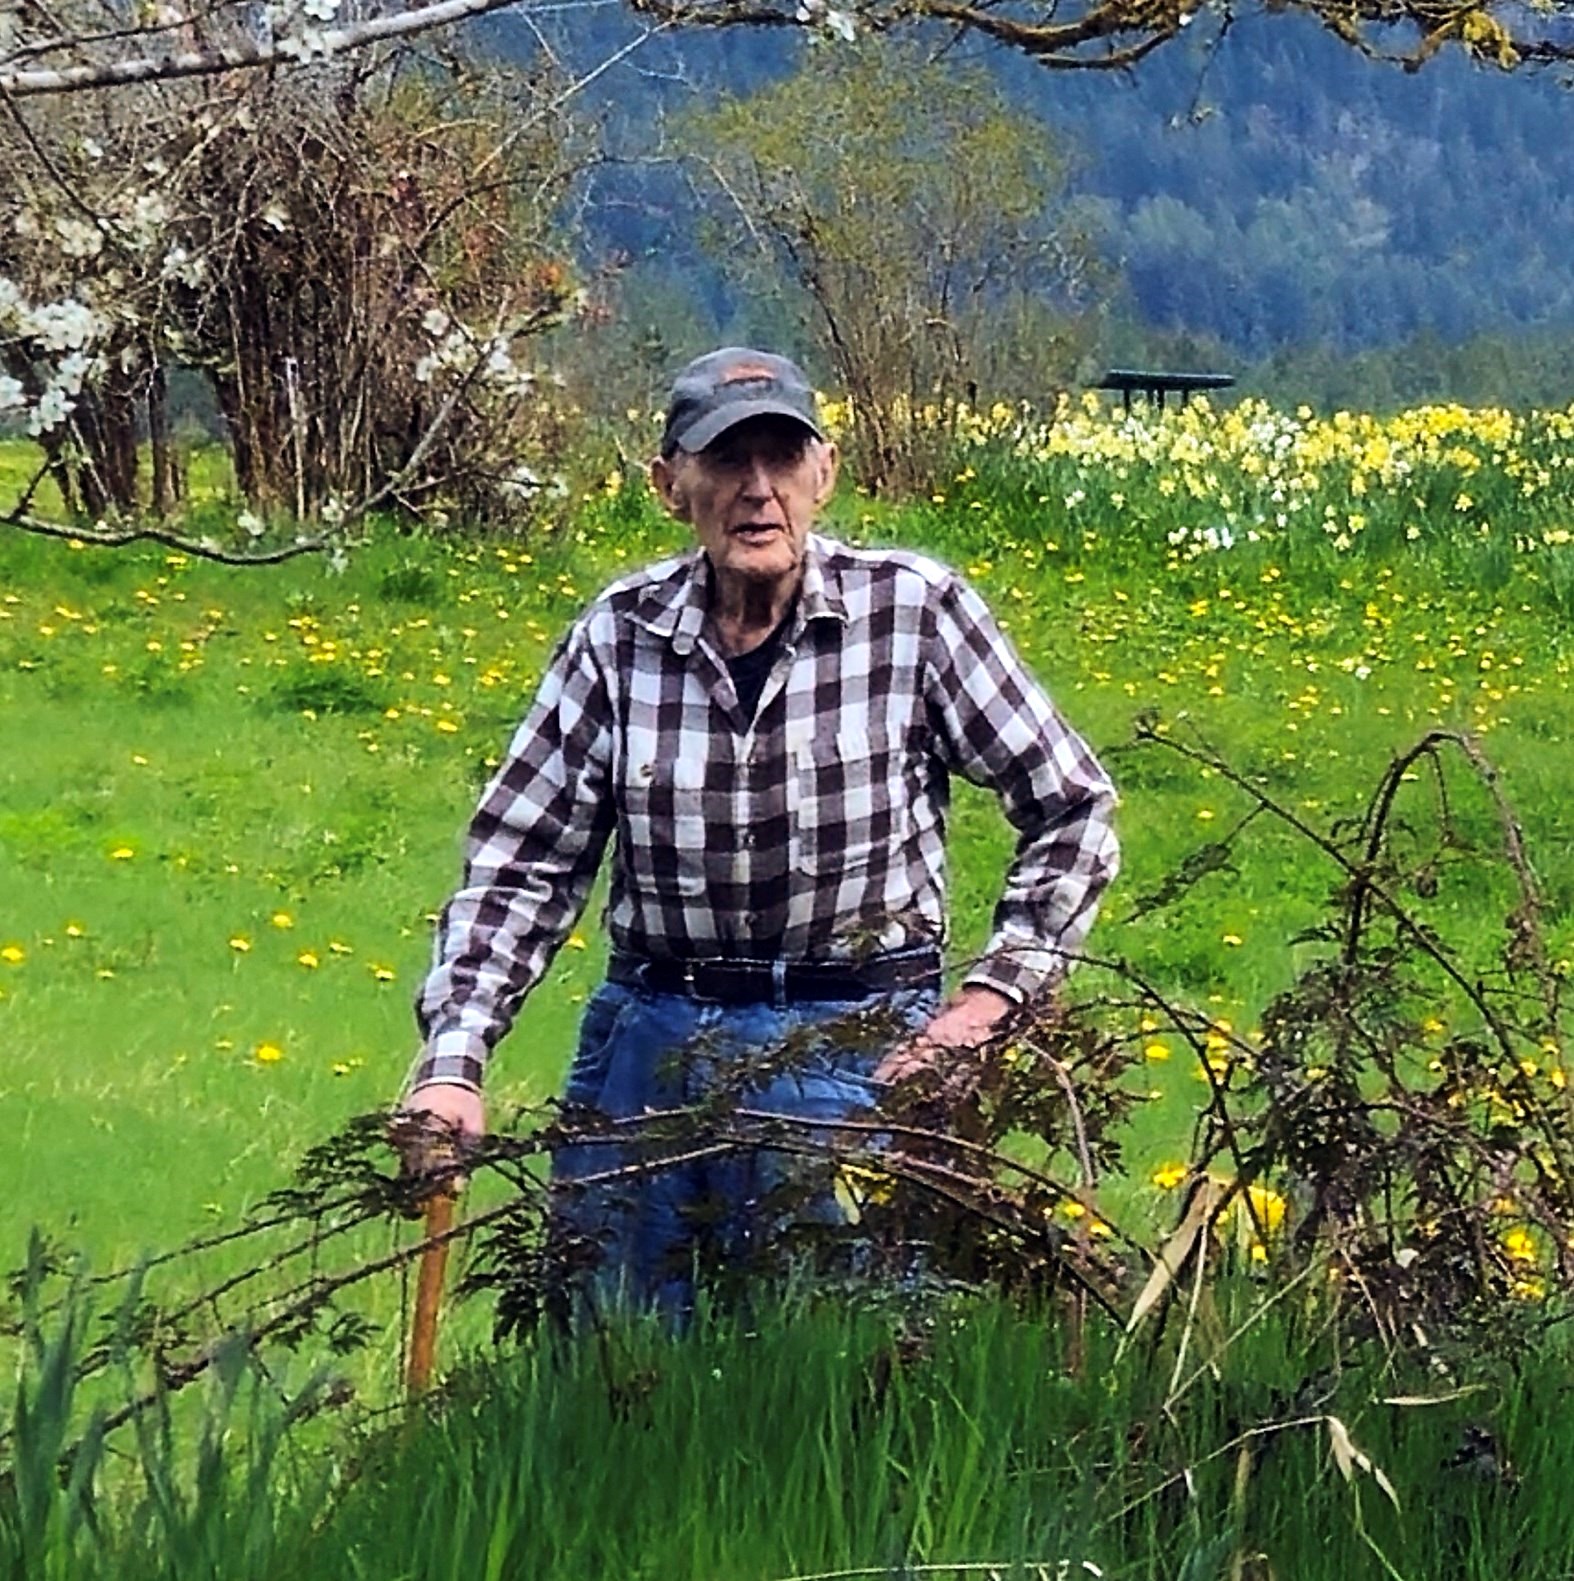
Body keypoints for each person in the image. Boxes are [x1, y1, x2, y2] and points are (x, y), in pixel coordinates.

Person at [398, 346, 1119, 1312]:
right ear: (668, 484)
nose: (756, 490)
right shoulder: (617, 637)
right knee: (615, 1360)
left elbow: (1072, 806)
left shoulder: (914, 613)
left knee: (845, 1371)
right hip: (649, 1044)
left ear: (824, 472)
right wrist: (453, 1063)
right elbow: (521, 864)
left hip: (858, 1044)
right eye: (725, 461)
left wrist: (986, 1008)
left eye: (781, 458)